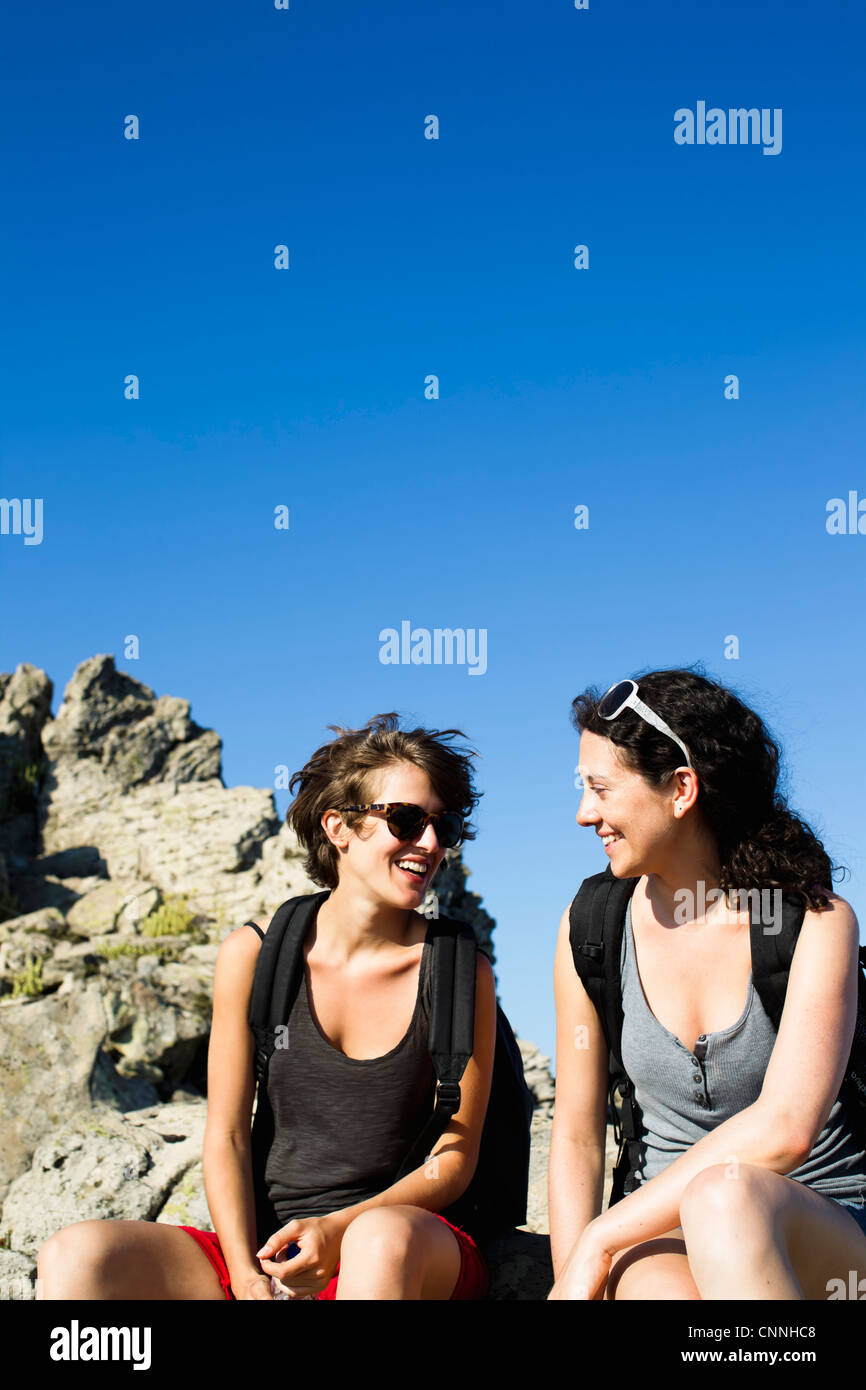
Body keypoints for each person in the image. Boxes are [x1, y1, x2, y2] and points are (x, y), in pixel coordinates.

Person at [37, 713, 496, 1300]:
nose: (428, 844)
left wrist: (337, 1231)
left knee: (377, 1241)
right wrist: (247, 1276)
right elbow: (226, 1134)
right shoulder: (254, 956)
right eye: (406, 820)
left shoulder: (459, 972)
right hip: (270, 1251)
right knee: (76, 1257)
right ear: (338, 827)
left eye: (443, 824)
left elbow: (453, 1161)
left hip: (407, 1246)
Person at [548, 668, 866, 1300]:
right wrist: (574, 1269)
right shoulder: (590, 928)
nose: (585, 814)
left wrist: (603, 1237)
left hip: (821, 1230)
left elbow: (785, 1129)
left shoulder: (812, 923)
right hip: (659, 1235)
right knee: (651, 1291)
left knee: (724, 1198)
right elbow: (578, 1135)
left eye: (601, 789)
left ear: (681, 789)